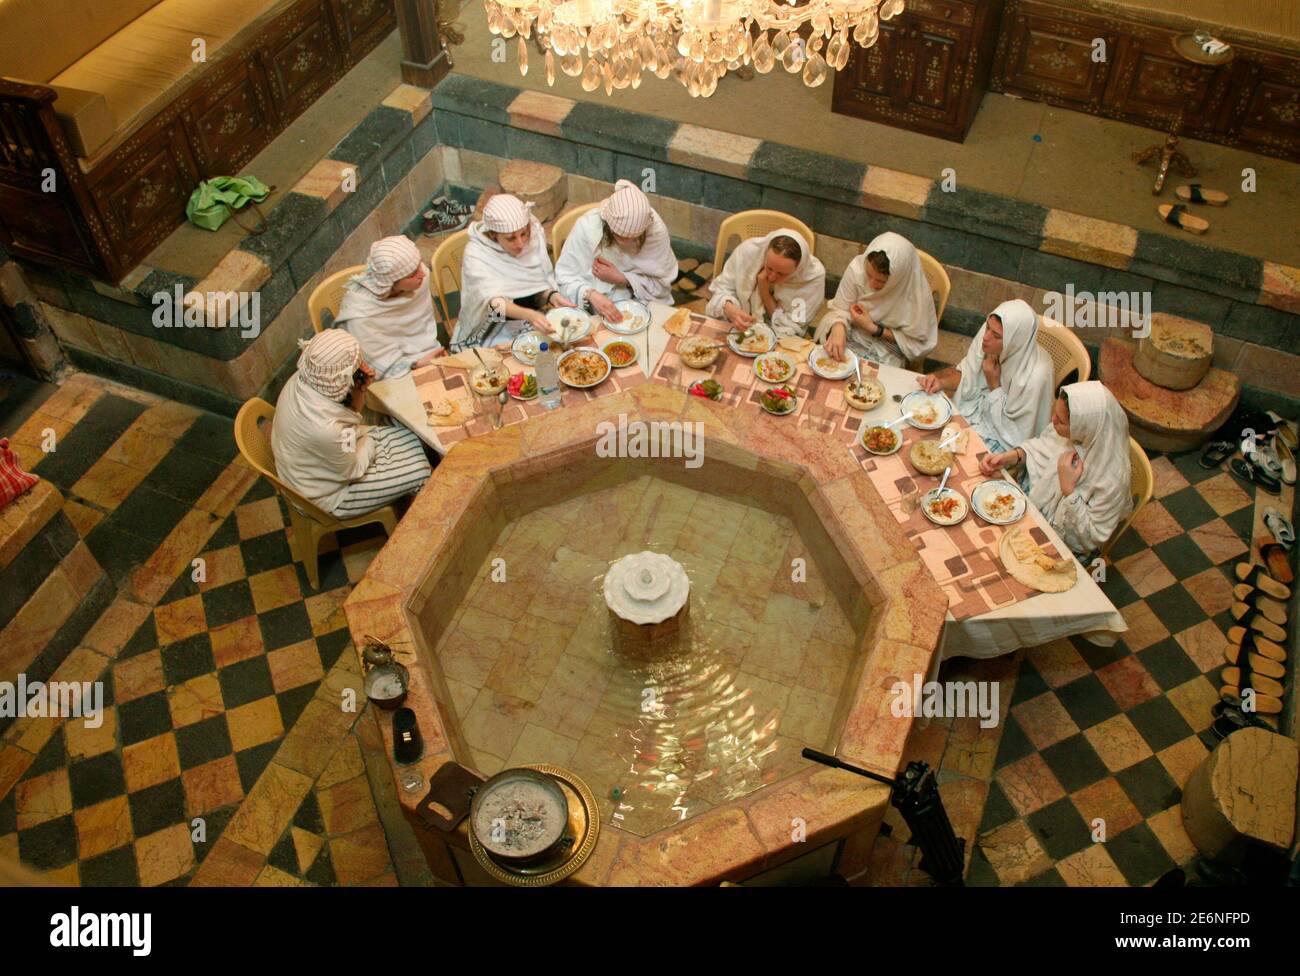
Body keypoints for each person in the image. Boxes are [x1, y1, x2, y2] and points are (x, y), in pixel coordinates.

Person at [272, 330, 432, 519]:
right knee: (421, 469)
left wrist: (359, 386)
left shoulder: (304, 379)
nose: (364, 367)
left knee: (413, 435)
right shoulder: (330, 429)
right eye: (358, 366)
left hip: (313, 462)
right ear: (346, 382)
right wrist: (370, 439)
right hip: (327, 495)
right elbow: (352, 469)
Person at [980, 381, 1133, 559]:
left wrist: (1069, 490)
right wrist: (1012, 456)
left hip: (1065, 548)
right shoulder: (1072, 434)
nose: (1053, 421)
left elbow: (1091, 538)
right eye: (1055, 414)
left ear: (1084, 428)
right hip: (1035, 509)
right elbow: (1042, 447)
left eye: (1061, 421)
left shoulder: (1112, 478)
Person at [917, 299, 1054, 454]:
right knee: (926, 435)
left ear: (1013, 342)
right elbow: (970, 374)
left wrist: (993, 384)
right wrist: (941, 382)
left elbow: (1017, 436)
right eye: (987, 327)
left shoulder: (1035, 375)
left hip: (1004, 440)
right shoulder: (988, 335)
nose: (985, 337)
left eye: (996, 335)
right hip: (978, 413)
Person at [453, 193, 576, 351]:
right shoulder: (477, 254)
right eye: (510, 239)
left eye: (524, 234)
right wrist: (529, 316)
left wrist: (551, 295)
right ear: (493, 234)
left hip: (531, 310)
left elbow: (535, 280)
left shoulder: (532, 233)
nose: (520, 244)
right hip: (496, 320)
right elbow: (494, 306)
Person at [555, 180, 678, 321]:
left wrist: (623, 278)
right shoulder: (587, 226)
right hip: (594, 298)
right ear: (607, 224)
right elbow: (565, 277)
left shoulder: (655, 231)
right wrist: (591, 295)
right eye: (620, 236)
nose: (626, 242)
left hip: (641, 299)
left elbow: (662, 284)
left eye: (633, 237)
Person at [817, 232, 938, 367]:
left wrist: (873, 328)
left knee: (871, 384)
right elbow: (841, 308)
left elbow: (917, 344)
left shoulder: (915, 293)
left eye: (881, 281)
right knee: (828, 363)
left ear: (896, 280)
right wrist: (838, 327)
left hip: (887, 347)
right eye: (868, 275)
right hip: (852, 332)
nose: (872, 284)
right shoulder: (857, 268)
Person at [337, 236, 446, 380]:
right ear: (391, 283)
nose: (423, 273)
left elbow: (421, 327)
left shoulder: (420, 281)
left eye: (419, 264)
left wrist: (428, 357)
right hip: (392, 374)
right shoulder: (359, 316)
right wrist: (415, 364)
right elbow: (377, 364)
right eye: (413, 274)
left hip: (427, 352)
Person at [705, 228, 824, 337]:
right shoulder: (749, 252)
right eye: (769, 268)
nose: (771, 278)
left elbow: (792, 327)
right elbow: (722, 288)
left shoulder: (811, 278)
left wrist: (764, 292)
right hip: (736, 326)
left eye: (781, 274)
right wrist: (729, 308)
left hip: (779, 337)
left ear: (797, 269)